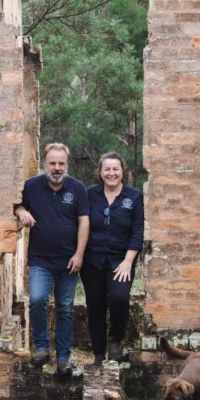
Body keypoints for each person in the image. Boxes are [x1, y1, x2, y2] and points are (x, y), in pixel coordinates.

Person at [15, 143, 89, 376]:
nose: (57, 168)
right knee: (36, 300)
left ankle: (64, 357)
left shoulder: (77, 189)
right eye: (52, 163)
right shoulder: (32, 186)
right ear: (44, 164)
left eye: (61, 164)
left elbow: (84, 222)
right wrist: (21, 212)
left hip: (68, 261)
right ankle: (42, 348)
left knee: (65, 308)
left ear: (66, 164)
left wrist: (79, 254)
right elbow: (16, 204)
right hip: (40, 260)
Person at [81, 151, 144, 364]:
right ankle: (98, 353)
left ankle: (116, 341)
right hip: (92, 261)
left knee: (118, 298)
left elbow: (137, 230)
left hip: (121, 260)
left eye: (115, 169)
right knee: (95, 305)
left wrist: (128, 261)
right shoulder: (89, 194)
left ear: (122, 170)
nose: (111, 173)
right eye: (106, 169)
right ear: (99, 172)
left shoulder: (134, 197)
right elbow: (80, 223)